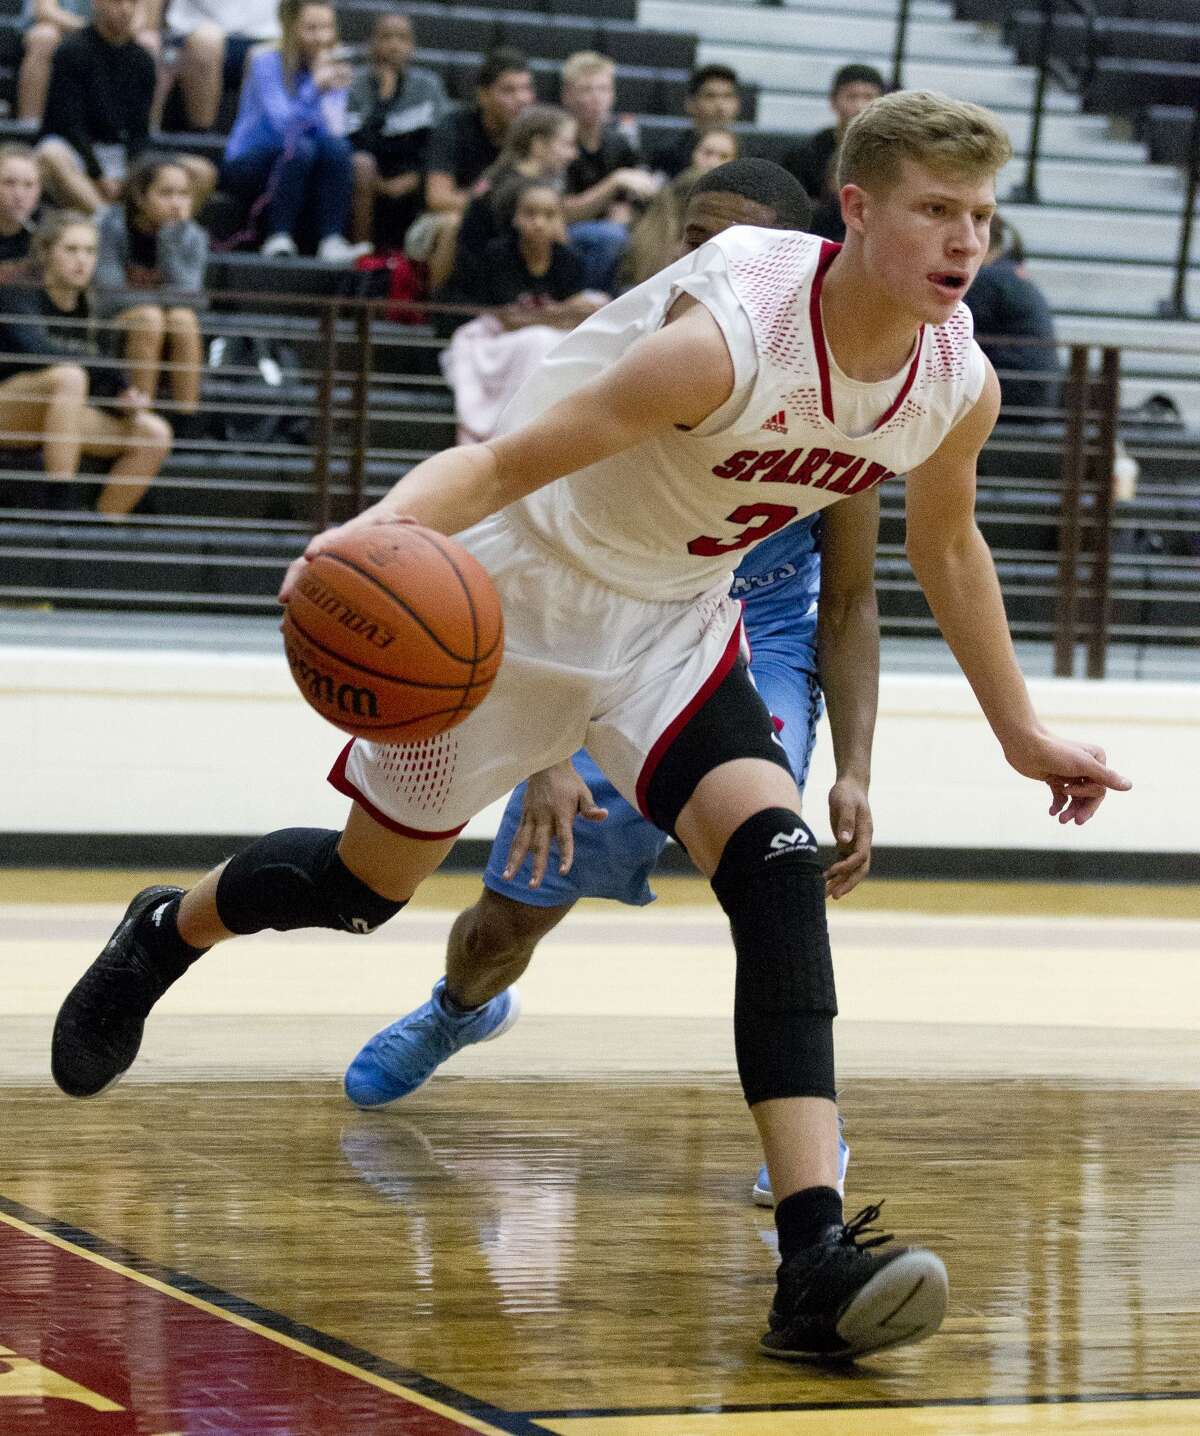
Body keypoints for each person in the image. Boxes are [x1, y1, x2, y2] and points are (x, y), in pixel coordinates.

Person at [52, 91, 1131, 1364]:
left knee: (777, 868)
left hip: (670, 626)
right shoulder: (727, 337)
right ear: (856, 211)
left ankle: (813, 1254)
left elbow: (948, 546)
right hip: (515, 600)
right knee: (360, 890)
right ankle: (165, 927)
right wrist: (362, 542)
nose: (966, 241)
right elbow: (503, 466)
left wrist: (1020, 730)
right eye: (935, 211)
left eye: (982, 216)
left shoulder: (956, 381)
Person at [352, 159, 859, 1214]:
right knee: (507, 917)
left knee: (774, 867)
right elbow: (534, 560)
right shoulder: (640, 356)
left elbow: (850, 599)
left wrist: (856, 767)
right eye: (692, 236)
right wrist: (544, 748)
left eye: (733, 243)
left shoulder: (846, 382)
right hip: (607, 623)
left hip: (747, 632)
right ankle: (461, 1005)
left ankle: (811, 1131)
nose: (705, 261)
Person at [0, 210, 172, 516]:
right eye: (71, 250)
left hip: (59, 416)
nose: (82, 260)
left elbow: (99, 372)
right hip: (10, 404)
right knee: (69, 376)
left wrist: (120, 397)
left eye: (90, 251)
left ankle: (100, 528)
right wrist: (110, 376)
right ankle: (60, 501)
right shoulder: (17, 293)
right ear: (46, 253)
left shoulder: (93, 309)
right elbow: (34, 351)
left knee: (154, 432)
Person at [220, 0, 368, 262]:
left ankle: (332, 238)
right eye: (311, 28)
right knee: (301, 148)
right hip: (251, 160)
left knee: (339, 148)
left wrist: (333, 90)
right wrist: (315, 88)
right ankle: (278, 235)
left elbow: (334, 130)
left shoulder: (332, 65)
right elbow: (283, 127)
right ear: (291, 29)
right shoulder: (265, 62)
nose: (321, 37)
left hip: (303, 158)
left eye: (327, 27)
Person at [95, 153, 208, 428]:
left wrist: (169, 238)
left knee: (183, 320)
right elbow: (110, 297)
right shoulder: (109, 226)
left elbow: (189, 297)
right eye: (166, 193)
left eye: (183, 194)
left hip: (165, 323)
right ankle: (140, 420)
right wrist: (160, 302)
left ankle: (186, 423)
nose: (177, 203)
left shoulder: (191, 235)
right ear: (140, 196)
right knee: (150, 317)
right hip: (109, 326)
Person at [416, 48, 534, 288]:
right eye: (509, 90)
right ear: (482, 95)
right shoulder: (453, 127)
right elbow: (438, 199)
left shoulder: (531, 135)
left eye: (526, 89)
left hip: (509, 217)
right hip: (441, 220)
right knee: (453, 224)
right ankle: (439, 310)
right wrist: (492, 207)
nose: (521, 99)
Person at [443, 106, 579, 307]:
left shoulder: (500, 175)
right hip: (491, 291)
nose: (573, 154)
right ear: (539, 145)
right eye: (567, 144)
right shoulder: (521, 190)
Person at [559, 51, 658, 293]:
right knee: (610, 236)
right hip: (563, 231)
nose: (596, 98)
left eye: (603, 89)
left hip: (613, 229)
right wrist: (614, 183)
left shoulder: (619, 142)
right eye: (586, 89)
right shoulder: (556, 141)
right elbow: (561, 211)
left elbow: (644, 188)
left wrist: (629, 213)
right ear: (567, 95)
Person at [346, 13, 448, 249]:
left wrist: (415, 177)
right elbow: (356, 143)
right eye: (386, 37)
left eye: (402, 38)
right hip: (369, 176)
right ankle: (361, 251)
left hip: (416, 177)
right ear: (371, 44)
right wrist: (383, 99)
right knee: (360, 167)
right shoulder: (354, 85)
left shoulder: (428, 86)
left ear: (412, 46)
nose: (394, 45)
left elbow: (441, 144)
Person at [964, 214, 1060, 420]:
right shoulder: (1009, 273)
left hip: (1018, 393)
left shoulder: (990, 279)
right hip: (1037, 394)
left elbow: (961, 333)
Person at [620, 132, 742, 290]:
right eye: (707, 153)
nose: (712, 162)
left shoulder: (739, 212)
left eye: (723, 156)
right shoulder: (669, 196)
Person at [786, 63, 885, 242]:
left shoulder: (890, 154)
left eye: (868, 97)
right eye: (852, 97)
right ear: (833, 101)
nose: (860, 106)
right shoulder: (807, 153)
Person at [18, 0, 159, 125]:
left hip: (113, 30)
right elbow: (45, 10)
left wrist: (113, 31)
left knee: (149, 42)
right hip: (64, 29)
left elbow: (143, 17)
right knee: (43, 37)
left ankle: (143, 133)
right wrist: (92, 31)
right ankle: (30, 125)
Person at [158, 0, 281, 133]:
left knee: (265, 53)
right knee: (206, 42)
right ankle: (202, 139)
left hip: (267, 34)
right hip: (191, 30)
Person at [650, 64, 741, 180]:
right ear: (690, 103)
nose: (720, 106)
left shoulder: (749, 157)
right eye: (710, 96)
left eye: (727, 96)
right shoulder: (668, 155)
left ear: (738, 104)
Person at [0, 146, 43, 274]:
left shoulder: (50, 231)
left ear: (40, 189)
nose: (19, 194)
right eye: (9, 183)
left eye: (29, 185)